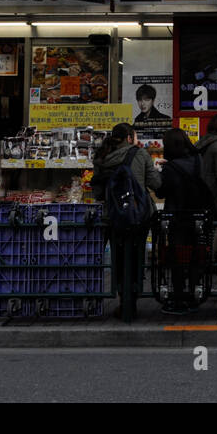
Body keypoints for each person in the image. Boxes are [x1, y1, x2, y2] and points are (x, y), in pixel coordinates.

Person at [92, 122, 158, 316]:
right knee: (137, 256)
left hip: (113, 215)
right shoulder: (140, 154)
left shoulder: (101, 156)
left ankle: (122, 299)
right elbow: (156, 183)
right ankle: (134, 298)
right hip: (138, 214)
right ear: (130, 138)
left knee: (118, 258)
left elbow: (97, 193)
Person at [158, 128, 217, 313]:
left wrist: (158, 172)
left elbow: (161, 192)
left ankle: (178, 297)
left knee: (177, 257)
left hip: (177, 217)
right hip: (198, 215)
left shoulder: (170, 168)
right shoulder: (198, 161)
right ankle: (194, 294)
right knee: (195, 255)